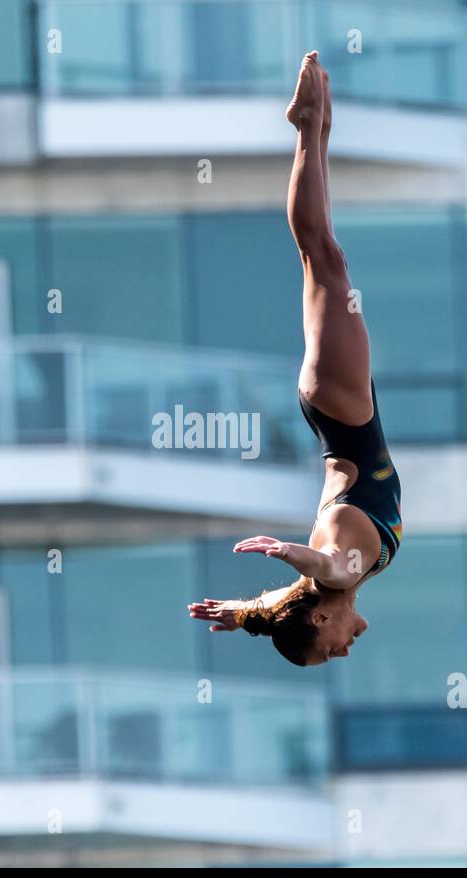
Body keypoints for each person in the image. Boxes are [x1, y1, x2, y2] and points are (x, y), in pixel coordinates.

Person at [187, 53, 402, 667]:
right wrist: (245, 614)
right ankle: (318, 124)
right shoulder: (333, 591)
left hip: (344, 406)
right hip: (337, 406)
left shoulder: (337, 575)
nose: (344, 651)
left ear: (322, 618)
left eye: (328, 651)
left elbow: (325, 566)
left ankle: (309, 126)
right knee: (324, 259)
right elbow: (300, 594)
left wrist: (288, 553)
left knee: (323, 255)